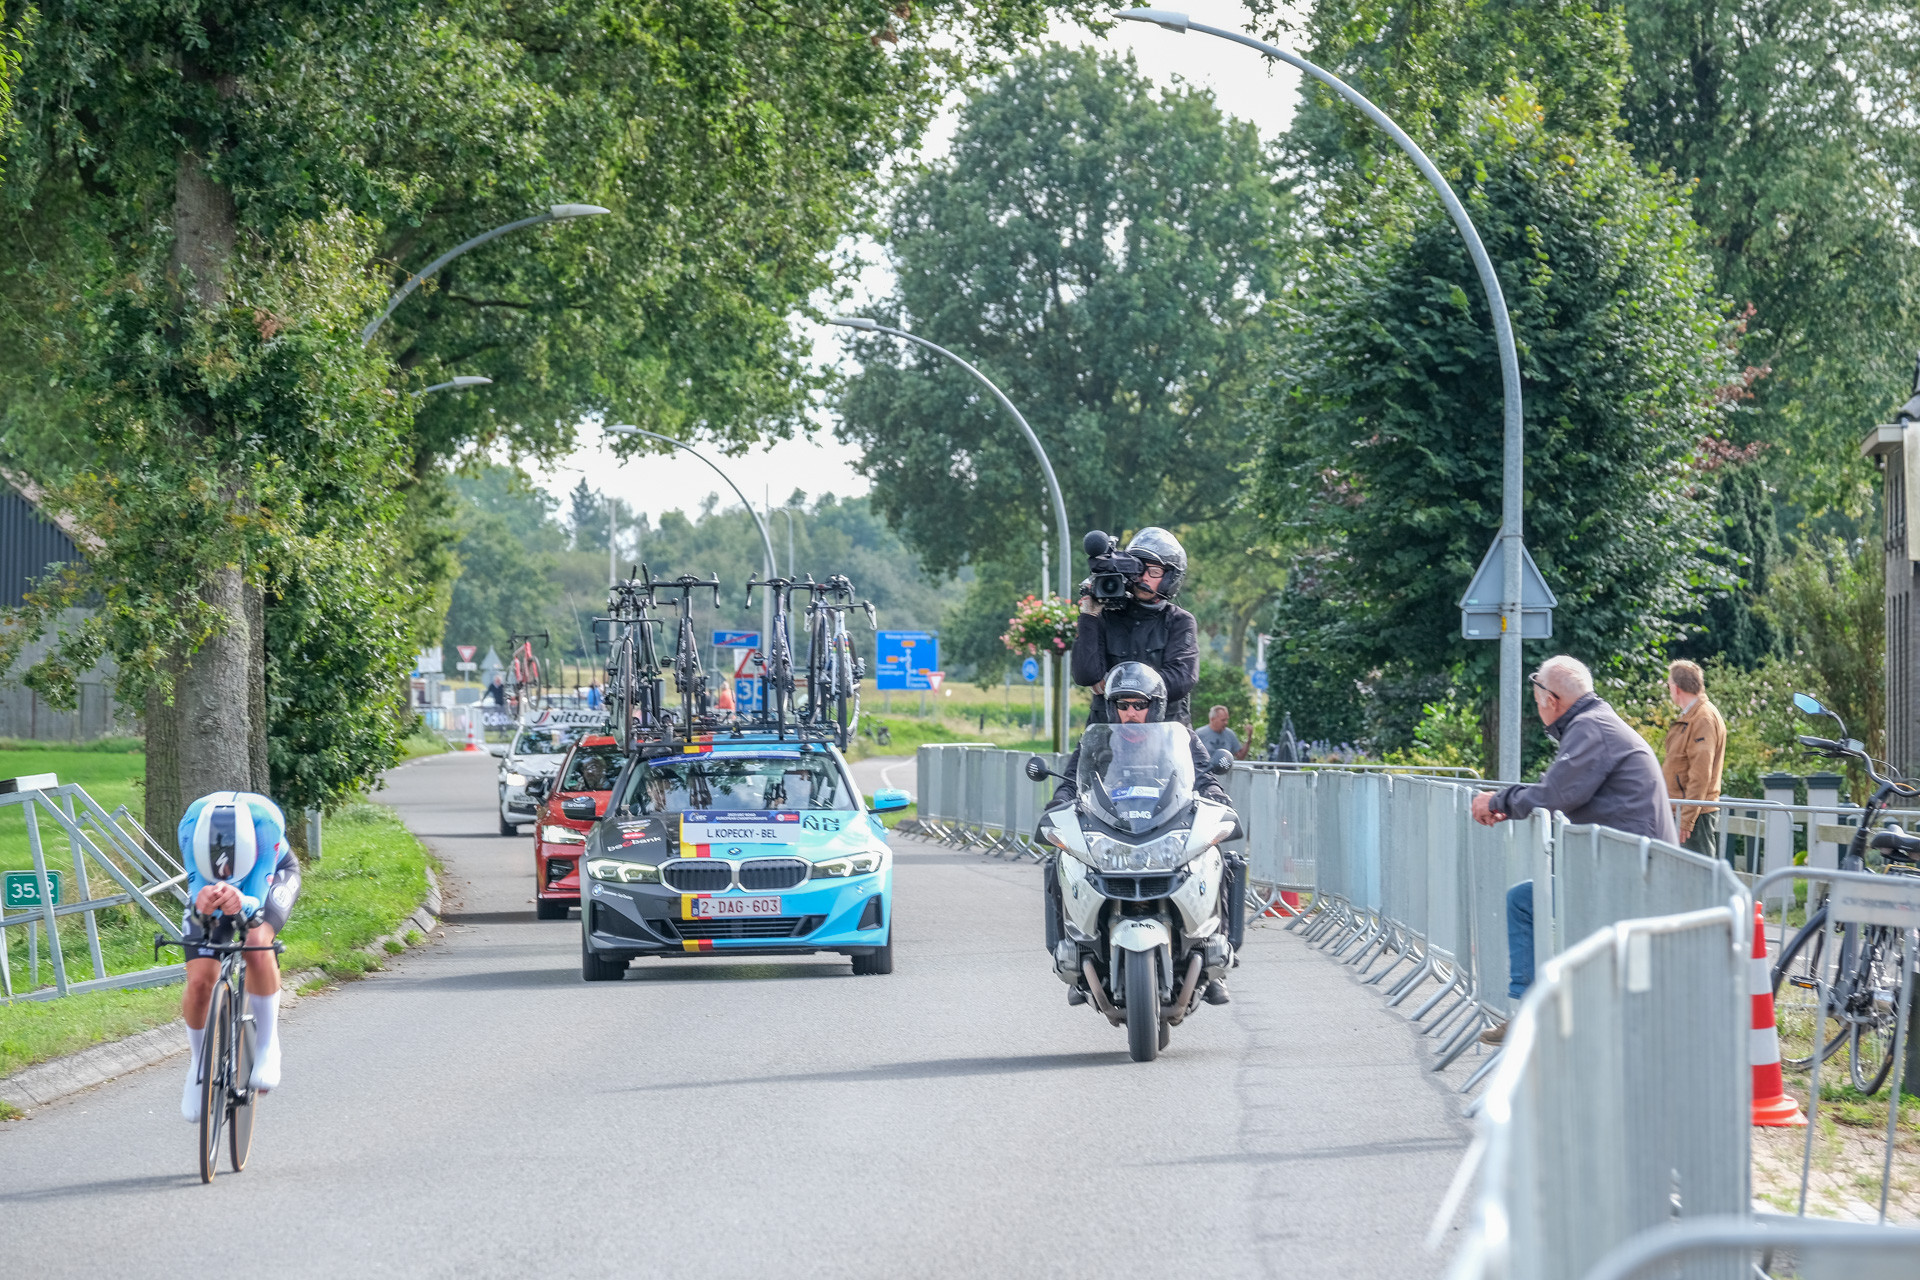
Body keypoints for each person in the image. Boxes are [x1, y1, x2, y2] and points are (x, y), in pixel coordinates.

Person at [1468, 656, 1674, 1045]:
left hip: (1627, 873)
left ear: (1551, 699)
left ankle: (1536, 1015)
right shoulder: (1594, 724)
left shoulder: (1590, 728)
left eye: (1536, 698)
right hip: (1628, 867)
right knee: (1531, 902)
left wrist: (1497, 801)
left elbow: (1556, 794)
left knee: (1524, 902)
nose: (1537, 706)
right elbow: (1559, 789)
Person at [1043, 662, 1237, 1004]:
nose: (1130, 712)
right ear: (1112, 707)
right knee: (1060, 859)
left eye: (1138, 704)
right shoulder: (1100, 739)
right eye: (1122, 705)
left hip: (1165, 827)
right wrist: (1057, 805)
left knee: (1222, 858)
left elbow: (1204, 775)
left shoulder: (1181, 738)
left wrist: (1217, 798)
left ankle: (1217, 950)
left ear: (1155, 705)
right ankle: (1074, 950)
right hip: (1111, 829)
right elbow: (1072, 779)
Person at [177, 791, 302, 1121]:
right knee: (201, 980)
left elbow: (256, 906)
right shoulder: (190, 825)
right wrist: (202, 900)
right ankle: (198, 1065)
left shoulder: (266, 823)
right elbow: (195, 890)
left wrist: (242, 901)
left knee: (256, 943)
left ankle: (267, 1043)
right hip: (212, 884)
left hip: (269, 877)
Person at [1071, 527, 1200, 726]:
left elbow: (1181, 679)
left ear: (1170, 578)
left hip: (1166, 735)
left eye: (1154, 572)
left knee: (1201, 758)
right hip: (1108, 735)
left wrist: (1115, 686)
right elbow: (1086, 674)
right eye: (1139, 569)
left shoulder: (1179, 621)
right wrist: (1089, 616)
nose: (1144, 578)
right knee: (1077, 759)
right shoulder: (1105, 617)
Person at [1661, 659, 1726, 858]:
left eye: (1669, 684)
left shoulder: (1702, 718)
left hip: (1693, 815)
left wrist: (1686, 820)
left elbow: (1700, 773)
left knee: (1700, 879)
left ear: (1676, 687)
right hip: (1685, 811)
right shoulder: (1695, 715)